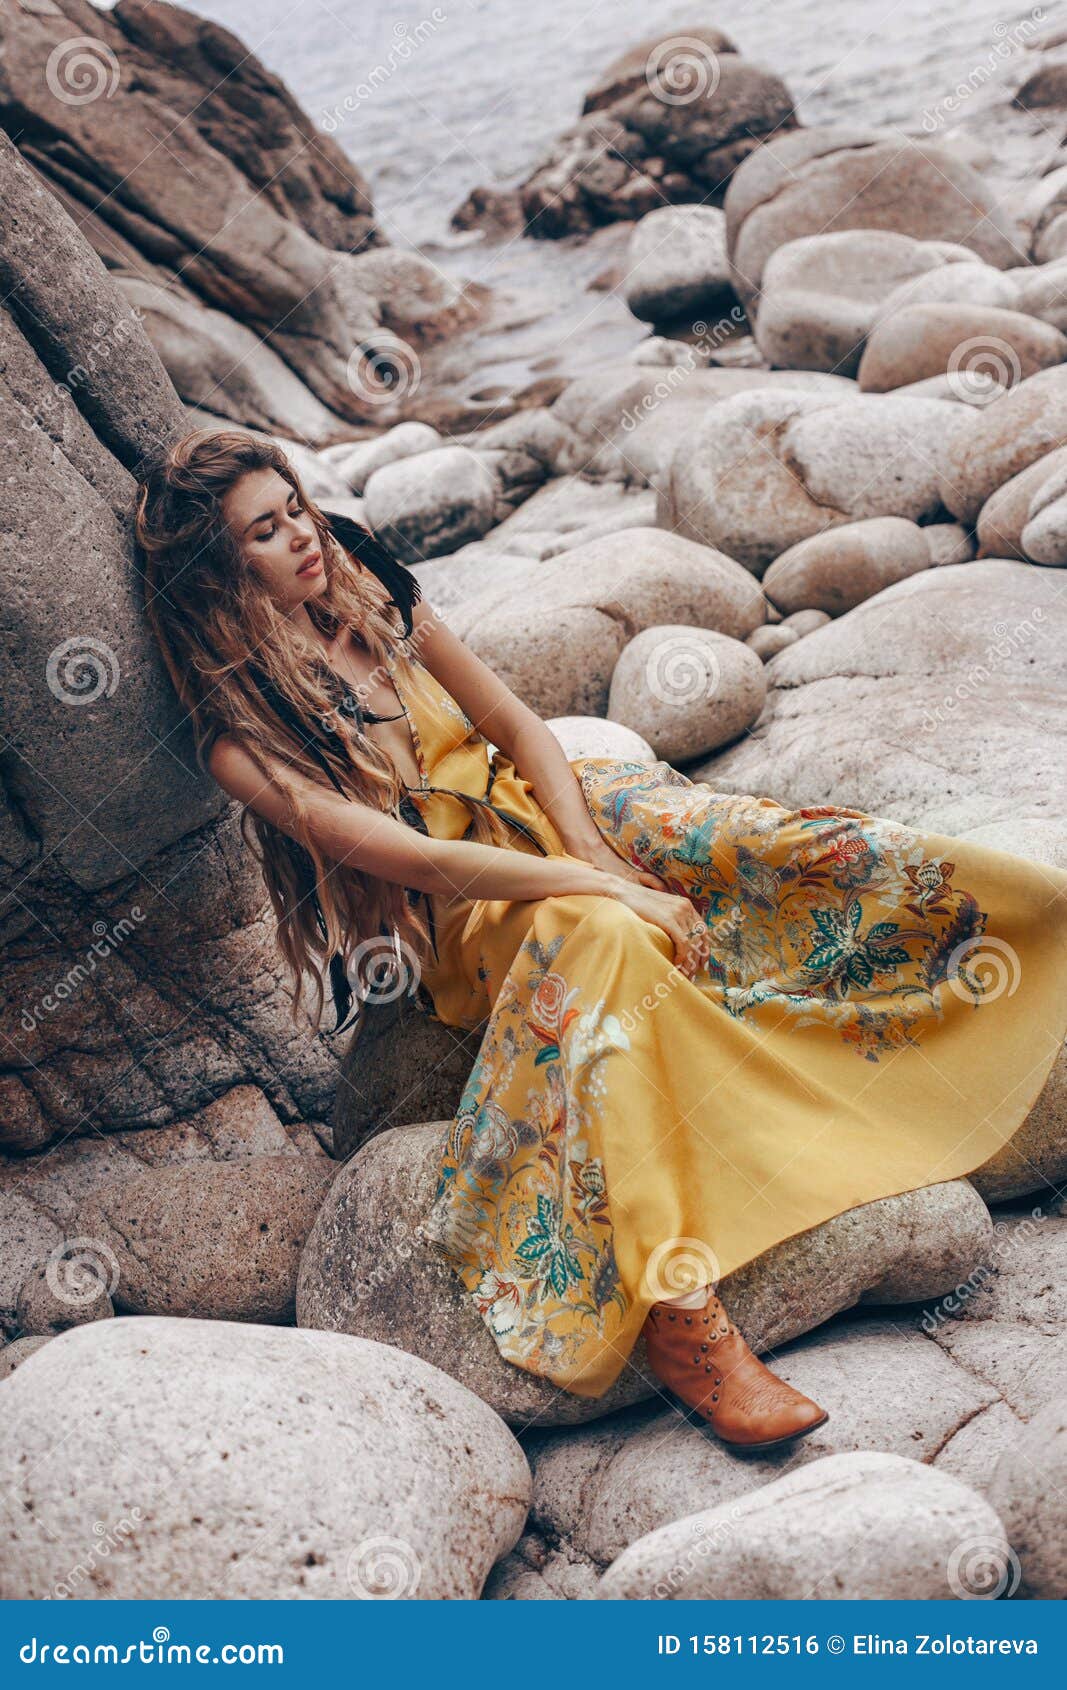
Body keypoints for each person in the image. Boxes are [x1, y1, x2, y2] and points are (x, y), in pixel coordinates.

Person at [135, 427, 1067, 1454]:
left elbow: (515, 724)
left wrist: (593, 843)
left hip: (557, 810)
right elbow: (426, 863)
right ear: (219, 574)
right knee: (606, 935)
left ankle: (1027, 914)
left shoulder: (361, 580)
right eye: (265, 533)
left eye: (297, 509)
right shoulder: (241, 741)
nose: (302, 537)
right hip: (475, 913)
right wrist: (596, 884)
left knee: (757, 839)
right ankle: (682, 1319)